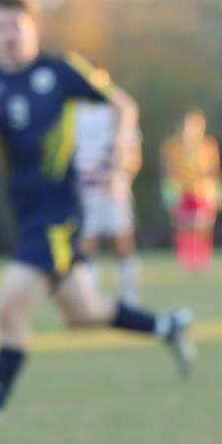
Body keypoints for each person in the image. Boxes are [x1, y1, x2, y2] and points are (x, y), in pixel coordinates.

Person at [0, 0, 195, 444]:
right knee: (83, 311)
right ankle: (168, 327)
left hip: (58, 214)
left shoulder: (60, 71)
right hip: (27, 213)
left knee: (8, 308)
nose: (8, 35)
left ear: (33, 29)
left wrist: (120, 147)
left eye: (16, 25)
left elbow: (124, 105)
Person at [73, 65, 145, 304]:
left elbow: (134, 153)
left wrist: (119, 175)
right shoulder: (74, 112)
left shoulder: (118, 111)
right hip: (84, 187)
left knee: (122, 240)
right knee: (85, 241)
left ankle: (129, 294)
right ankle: (88, 297)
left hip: (114, 187)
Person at [161, 110, 222, 271]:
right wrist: (168, 193)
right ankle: (186, 261)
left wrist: (219, 191)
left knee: (202, 226)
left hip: (203, 190)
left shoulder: (209, 145)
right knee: (184, 226)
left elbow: (214, 170)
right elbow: (168, 171)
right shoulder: (172, 146)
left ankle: (202, 261)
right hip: (182, 191)